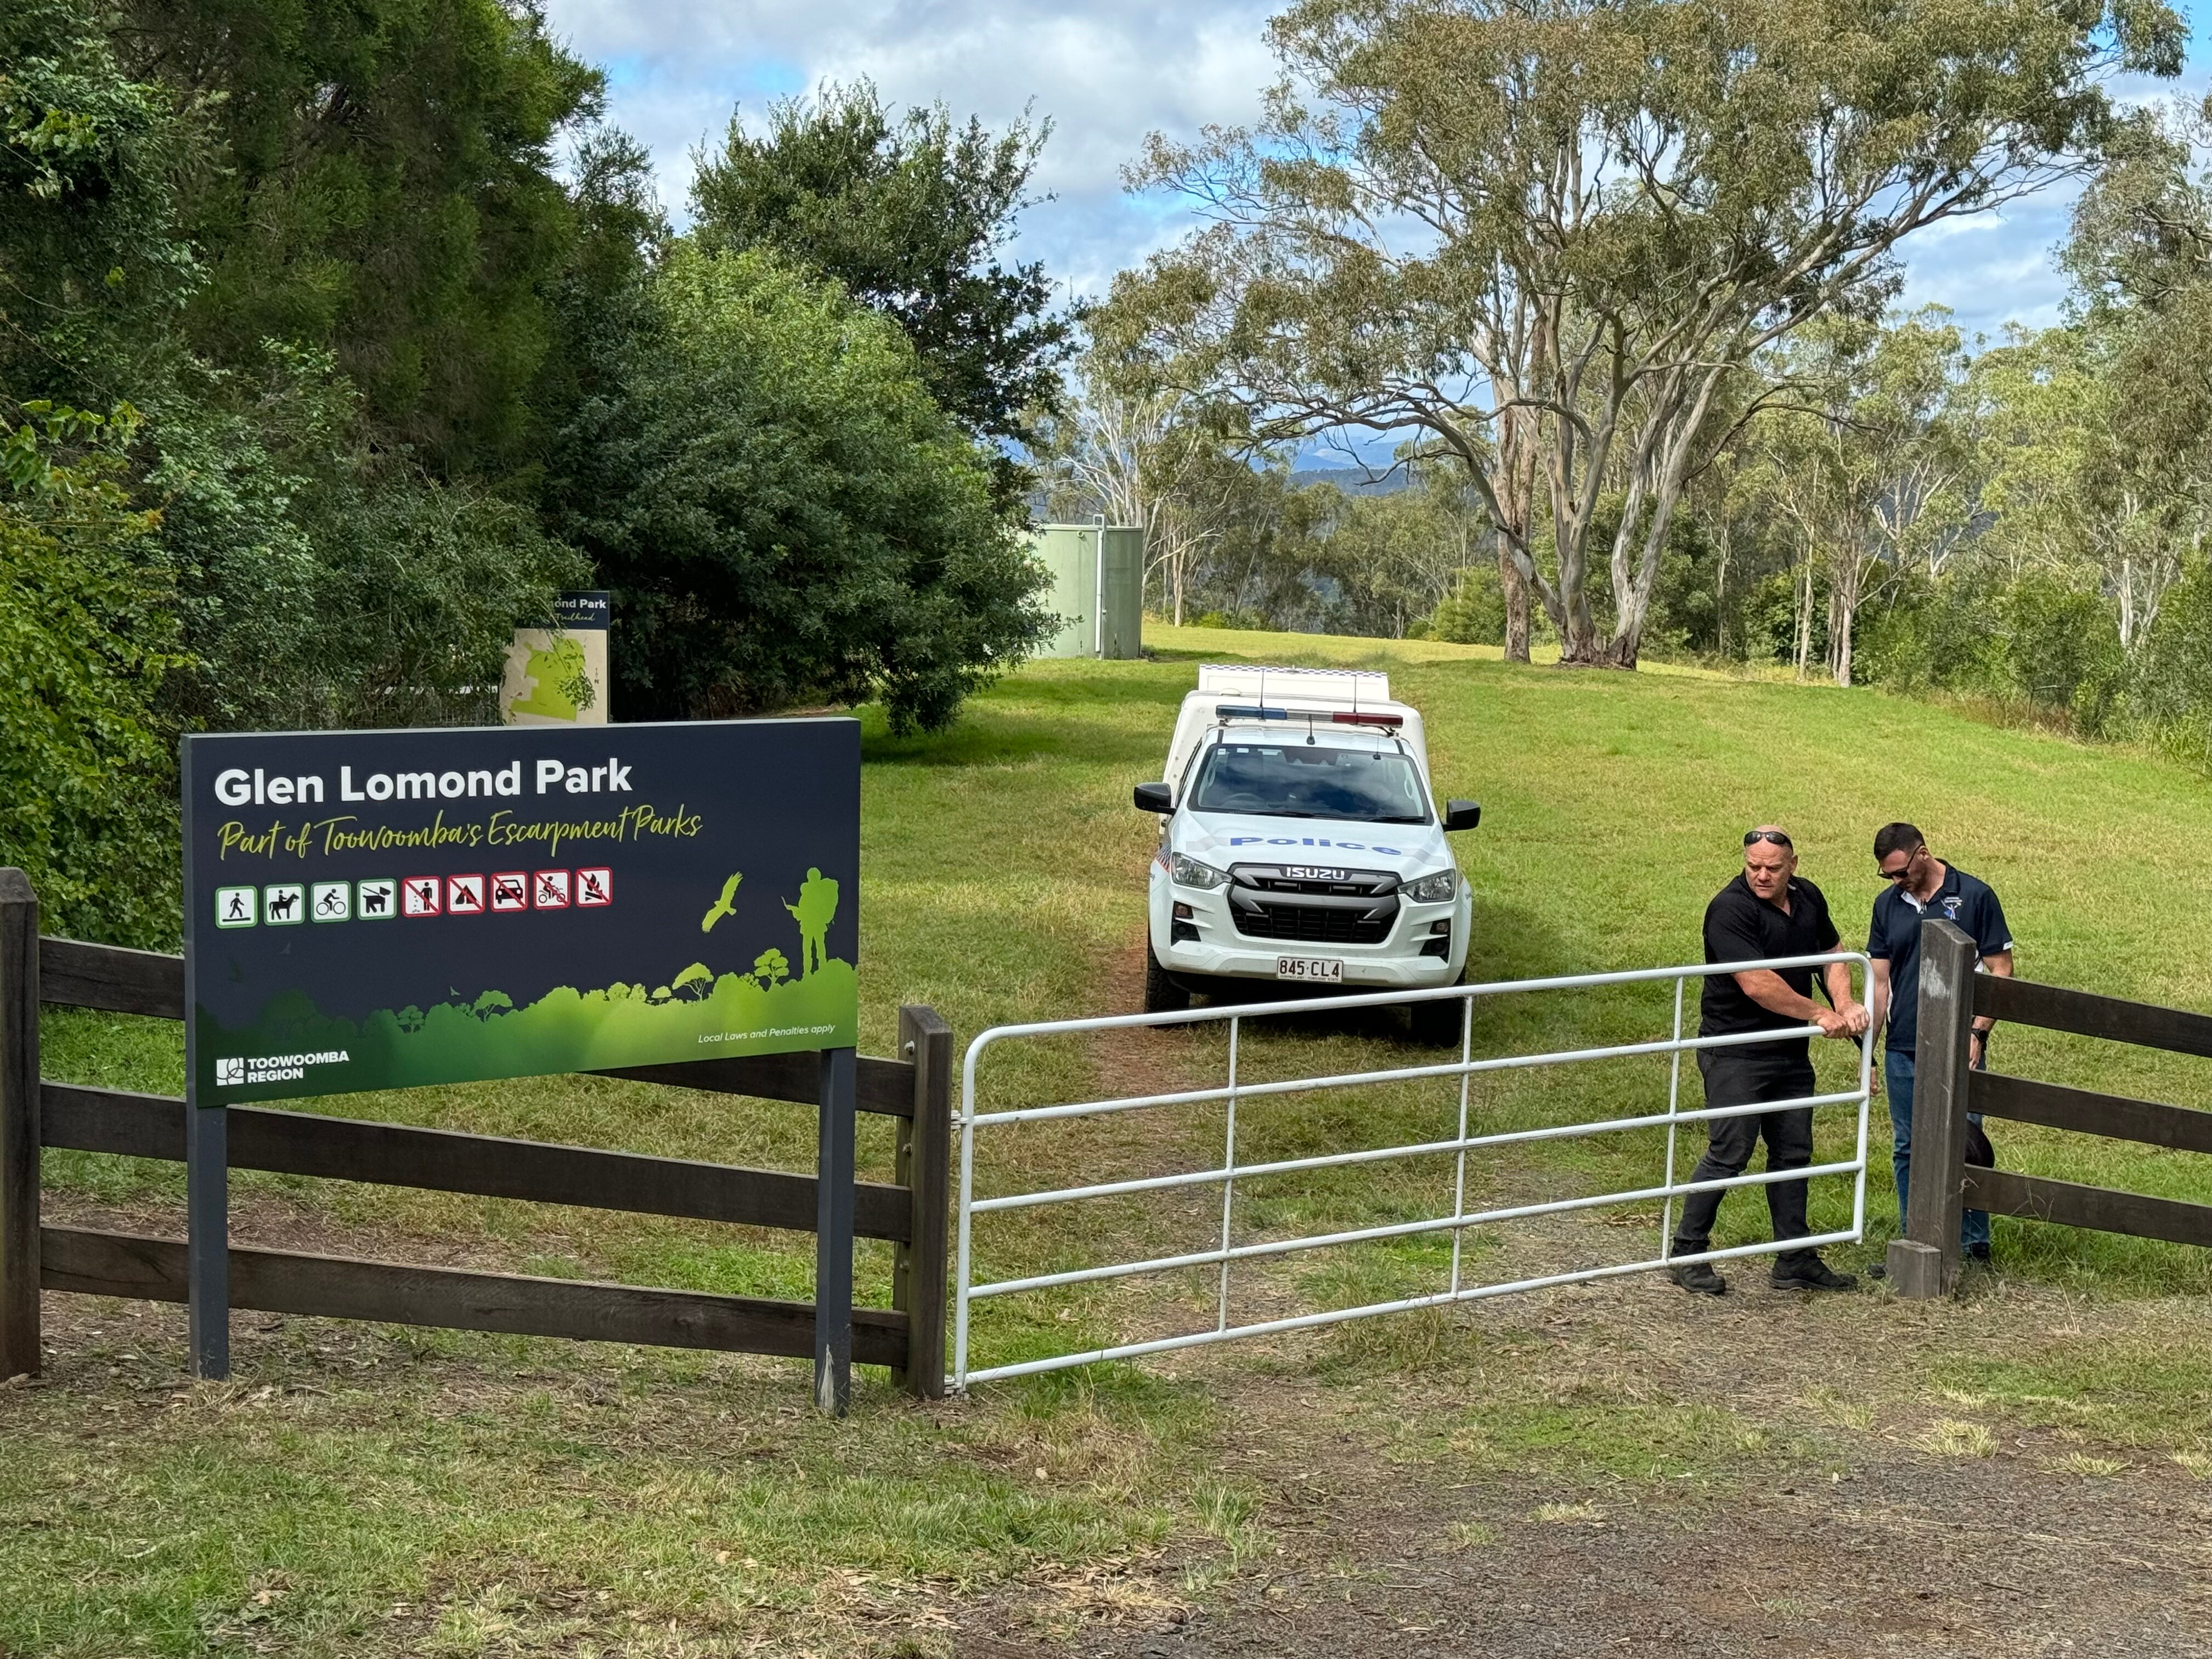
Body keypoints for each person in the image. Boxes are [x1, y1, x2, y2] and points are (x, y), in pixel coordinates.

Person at [1672, 827, 1869, 1296]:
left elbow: (1832, 954)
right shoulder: (1729, 909)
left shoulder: (1809, 897)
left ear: (1793, 866)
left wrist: (1843, 1004)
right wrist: (1821, 1013)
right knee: (1730, 1152)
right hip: (1734, 1050)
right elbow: (1758, 984)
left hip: (1788, 1051)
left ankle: (1795, 1258)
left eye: (1772, 868)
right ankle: (1686, 1252)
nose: (1761, 875)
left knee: (1794, 1152)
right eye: (1753, 866)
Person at [1867, 823, 2015, 1262]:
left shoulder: (1975, 895)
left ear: (1924, 855)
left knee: (1965, 1139)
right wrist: (1867, 1052)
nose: (1896, 882)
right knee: (1908, 1145)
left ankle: (1972, 1242)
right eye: (1888, 876)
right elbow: (1879, 984)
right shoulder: (1886, 906)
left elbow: (2000, 971)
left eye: (1900, 872)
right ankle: (1914, 1238)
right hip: (1903, 1047)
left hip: (1957, 1045)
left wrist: (1977, 1033)